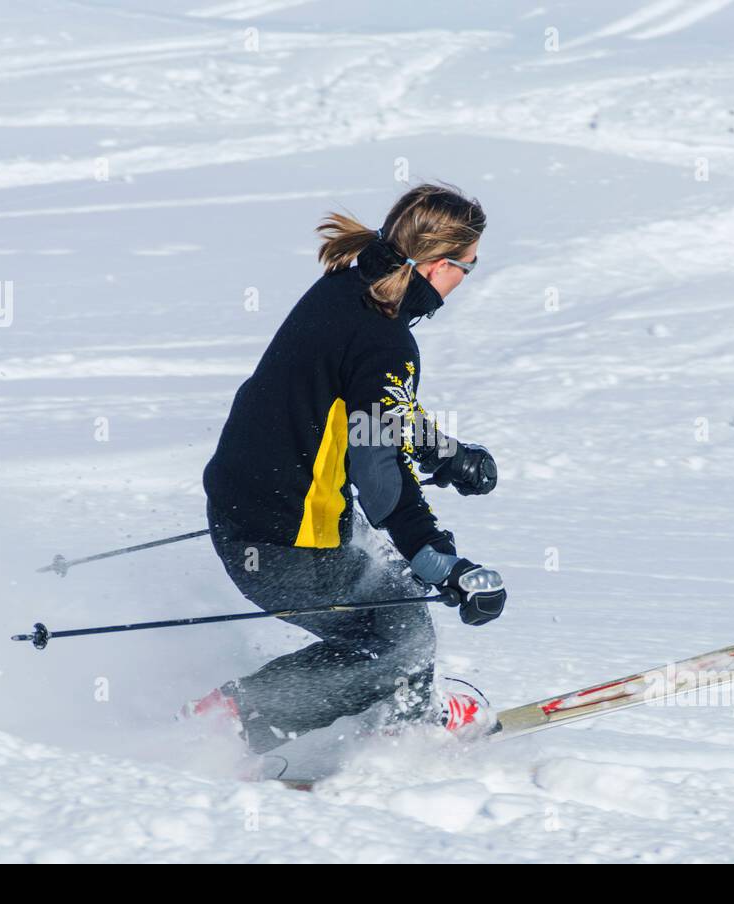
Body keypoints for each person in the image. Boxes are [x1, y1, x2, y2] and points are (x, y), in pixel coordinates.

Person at [188, 183, 506, 755]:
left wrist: (447, 454)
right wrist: (442, 561)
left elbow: (362, 412)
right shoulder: (385, 343)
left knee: (393, 597)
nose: (467, 279)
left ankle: (405, 717)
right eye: (468, 267)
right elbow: (379, 475)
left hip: (246, 511)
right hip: (290, 542)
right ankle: (229, 725)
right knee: (400, 639)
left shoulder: (349, 283)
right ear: (437, 266)